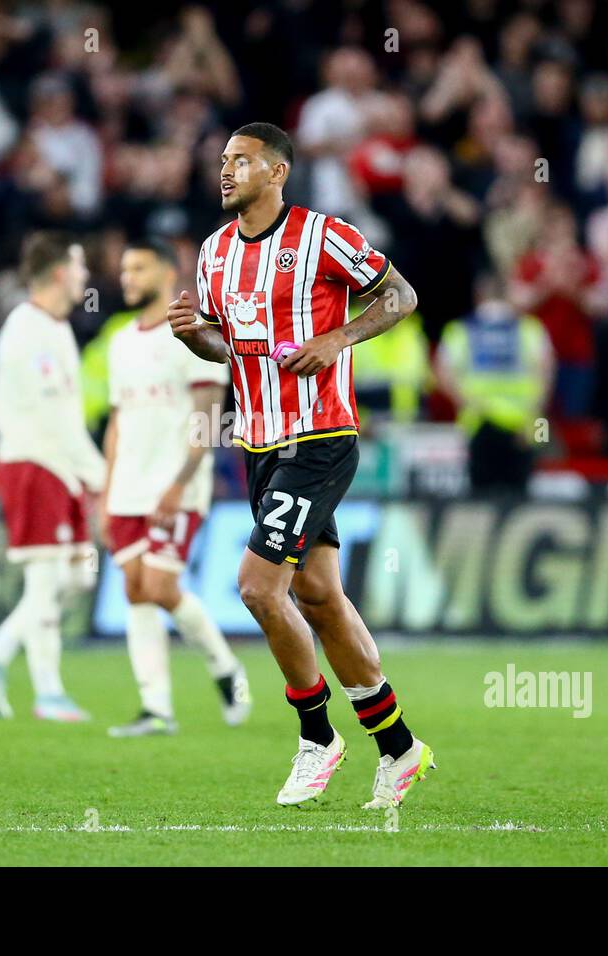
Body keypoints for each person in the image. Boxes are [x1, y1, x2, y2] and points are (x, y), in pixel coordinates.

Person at [169, 122, 434, 809]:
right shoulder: (213, 252)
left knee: (258, 589)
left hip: (318, 438)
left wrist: (339, 337)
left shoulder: (323, 236)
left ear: (277, 171)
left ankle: (317, 738)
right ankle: (400, 748)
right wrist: (195, 334)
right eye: (222, 160)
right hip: (257, 446)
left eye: (241, 161)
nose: (225, 172)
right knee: (317, 597)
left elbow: (401, 296)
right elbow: (232, 351)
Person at [100, 238, 249, 737]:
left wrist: (179, 483)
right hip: (126, 487)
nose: (128, 277)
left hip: (175, 484)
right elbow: (118, 421)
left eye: (138, 267)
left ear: (169, 273)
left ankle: (226, 668)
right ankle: (156, 709)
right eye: (125, 268)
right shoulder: (119, 341)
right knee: (136, 589)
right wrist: (105, 491)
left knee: (161, 586)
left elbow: (209, 418)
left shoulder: (192, 335)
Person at [0, 234, 104, 721]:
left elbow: (65, 414)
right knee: (46, 580)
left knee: (79, 576)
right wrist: (99, 472)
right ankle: (48, 692)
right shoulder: (27, 326)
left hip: (61, 467)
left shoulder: (57, 329)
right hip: (35, 463)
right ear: (61, 272)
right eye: (80, 267)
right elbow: (52, 416)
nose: (86, 278)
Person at [435, 276, 554, 496]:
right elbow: (546, 374)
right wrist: (535, 416)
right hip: (521, 426)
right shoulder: (530, 329)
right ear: (508, 296)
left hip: (479, 424)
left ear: (478, 296)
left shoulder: (461, 330)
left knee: (480, 498)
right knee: (518, 497)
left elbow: (443, 372)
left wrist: (467, 403)